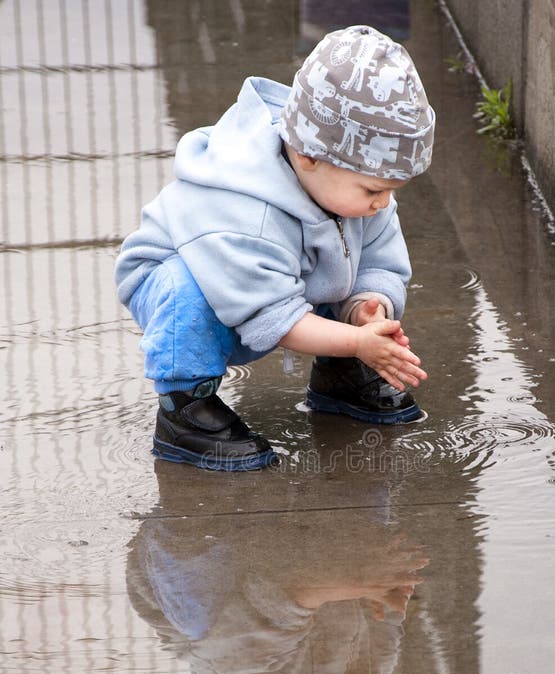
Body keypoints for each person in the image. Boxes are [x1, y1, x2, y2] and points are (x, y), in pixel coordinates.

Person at [115, 25, 436, 471]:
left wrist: (365, 309)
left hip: (277, 279)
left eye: (391, 189)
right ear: (309, 156)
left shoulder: (349, 185)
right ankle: (185, 410)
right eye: (372, 190)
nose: (382, 202)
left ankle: (339, 376)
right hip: (190, 278)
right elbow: (276, 319)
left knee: (344, 256)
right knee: (185, 292)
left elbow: (380, 260)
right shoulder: (249, 213)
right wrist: (360, 343)